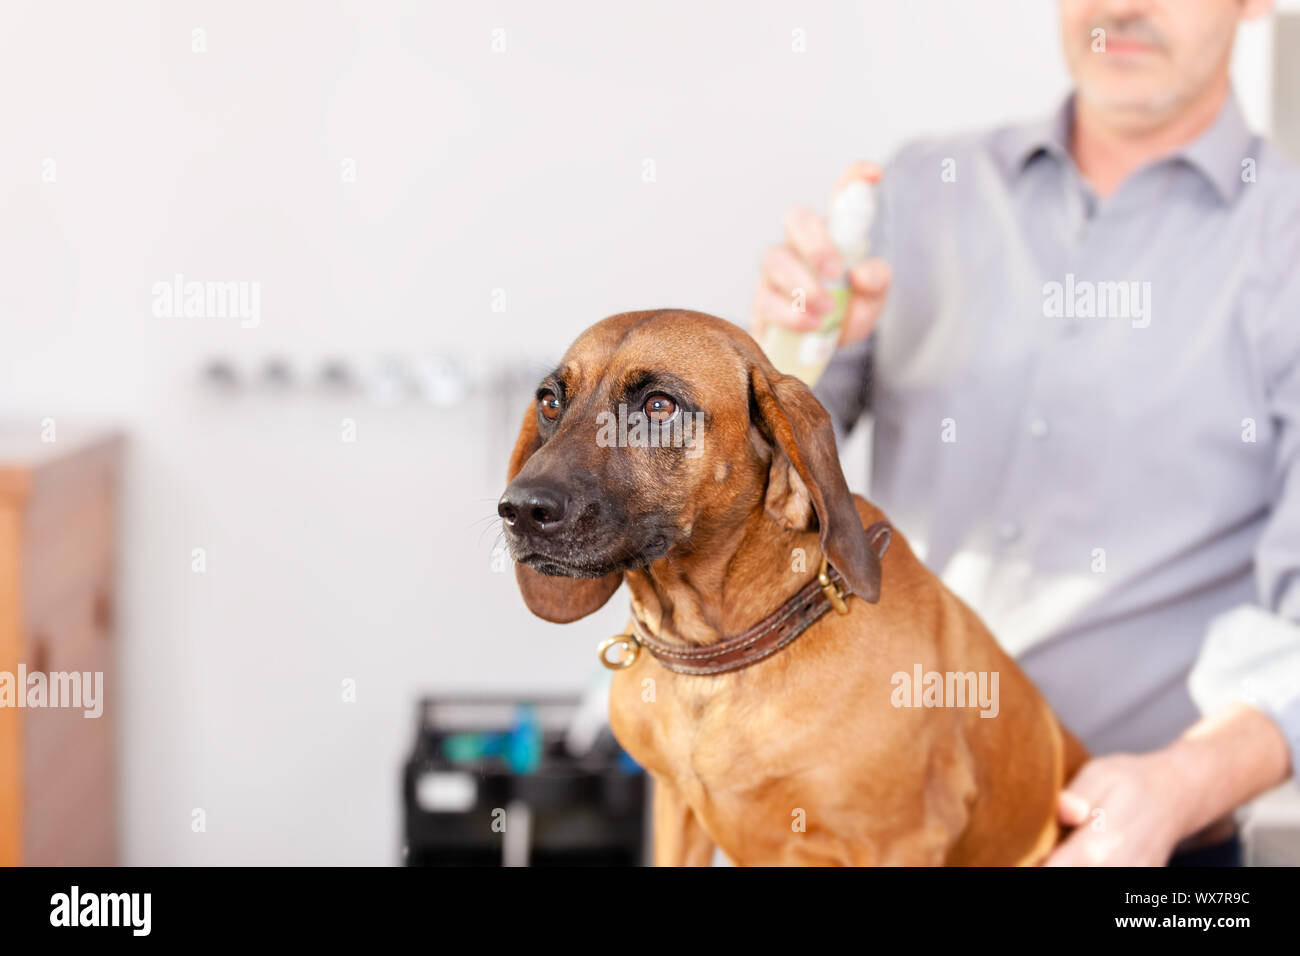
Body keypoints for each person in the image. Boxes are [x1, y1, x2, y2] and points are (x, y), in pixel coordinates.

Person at [752, 0, 1300, 865]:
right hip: (876, 812)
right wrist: (794, 355)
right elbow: (762, 496)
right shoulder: (920, 191)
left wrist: (1186, 785)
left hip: (1133, 841)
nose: (1122, 8)